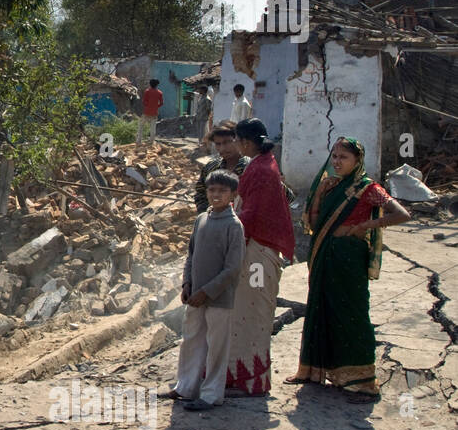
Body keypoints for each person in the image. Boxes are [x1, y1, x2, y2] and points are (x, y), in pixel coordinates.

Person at [287, 137, 411, 396]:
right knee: (321, 308)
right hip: (325, 254)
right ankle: (312, 370)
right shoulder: (332, 186)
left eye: (343, 157)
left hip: (349, 258)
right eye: (334, 156)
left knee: (351, 313)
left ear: (357, 161)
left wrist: (366, 226)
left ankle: (362, 380)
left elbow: (401, 214)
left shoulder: (367, 188)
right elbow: (312, 223)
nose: (337, 162)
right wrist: (320, 192)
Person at [161, 170, 245, 411]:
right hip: (195, 296)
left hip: (218, 298)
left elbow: (232, 269)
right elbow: (190, 255)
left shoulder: (234, 225)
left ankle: (211, 395)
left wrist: (206, 292)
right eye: (212, 190)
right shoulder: (201, 219)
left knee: (216, 347)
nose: (216, 195)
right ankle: (186, 387)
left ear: (233, 195)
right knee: (191, 340)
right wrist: (187, 284)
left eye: (222, 191)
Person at [227, 118, 294, 396]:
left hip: (258, 251)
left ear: (244, 141)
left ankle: (250, 380)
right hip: (258, 247)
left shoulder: (262, 169)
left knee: (251, 313)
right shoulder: (263, 164)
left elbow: (252, 215)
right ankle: (241, 375)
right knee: (245, 312)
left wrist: (227, 228)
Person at [193, 122, 250, 212]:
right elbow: (200, 193)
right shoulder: (211, 168)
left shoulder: (250, 166)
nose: (222, 148)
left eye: (227, 142)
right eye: (218, 144)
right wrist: (207, 214)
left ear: (238, 140)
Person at [137, 78, 163, 145]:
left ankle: (139, 141)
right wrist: (156, 106)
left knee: (140, 126)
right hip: (154, 113)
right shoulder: (160, 93)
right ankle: (151, 142)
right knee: (153, 128)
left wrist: (148, 106)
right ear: (157, 85)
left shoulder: (147, 91)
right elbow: (161, 103)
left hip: (146, 112)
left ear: (150, 84)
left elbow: (144, 102)